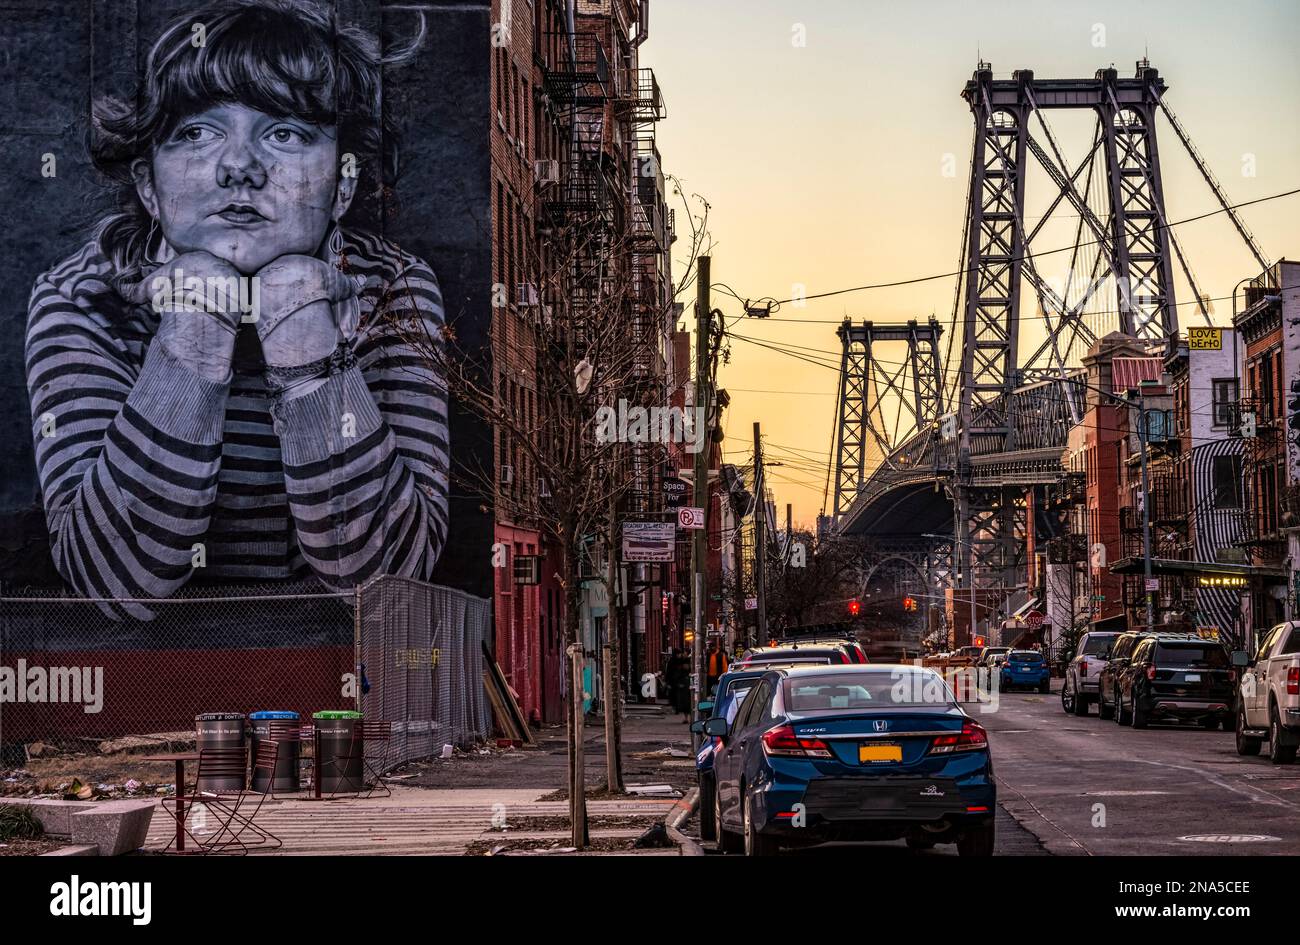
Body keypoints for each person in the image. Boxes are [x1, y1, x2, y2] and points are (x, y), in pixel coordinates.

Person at [25, 1, 449, 618]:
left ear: (344, 185)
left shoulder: (395, 288)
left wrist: (304, 338)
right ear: (148, 184)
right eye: (198, 132)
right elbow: (115, 582)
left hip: (339, 685)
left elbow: (387, 584)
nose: (239, 168)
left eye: (285, 133)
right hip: (144, 686)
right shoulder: (82, 298)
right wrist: (194, 328)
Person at [664, 648, 690, 722]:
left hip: (682, 683)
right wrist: (668, 682)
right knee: (674, 696)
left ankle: (683, 714)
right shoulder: (672, 661)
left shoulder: (684, 661)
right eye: (678, 654)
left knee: (683, 700)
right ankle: (677, 709)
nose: (680, 655)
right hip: (675, 682)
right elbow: (669, 672)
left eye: (681, 653)